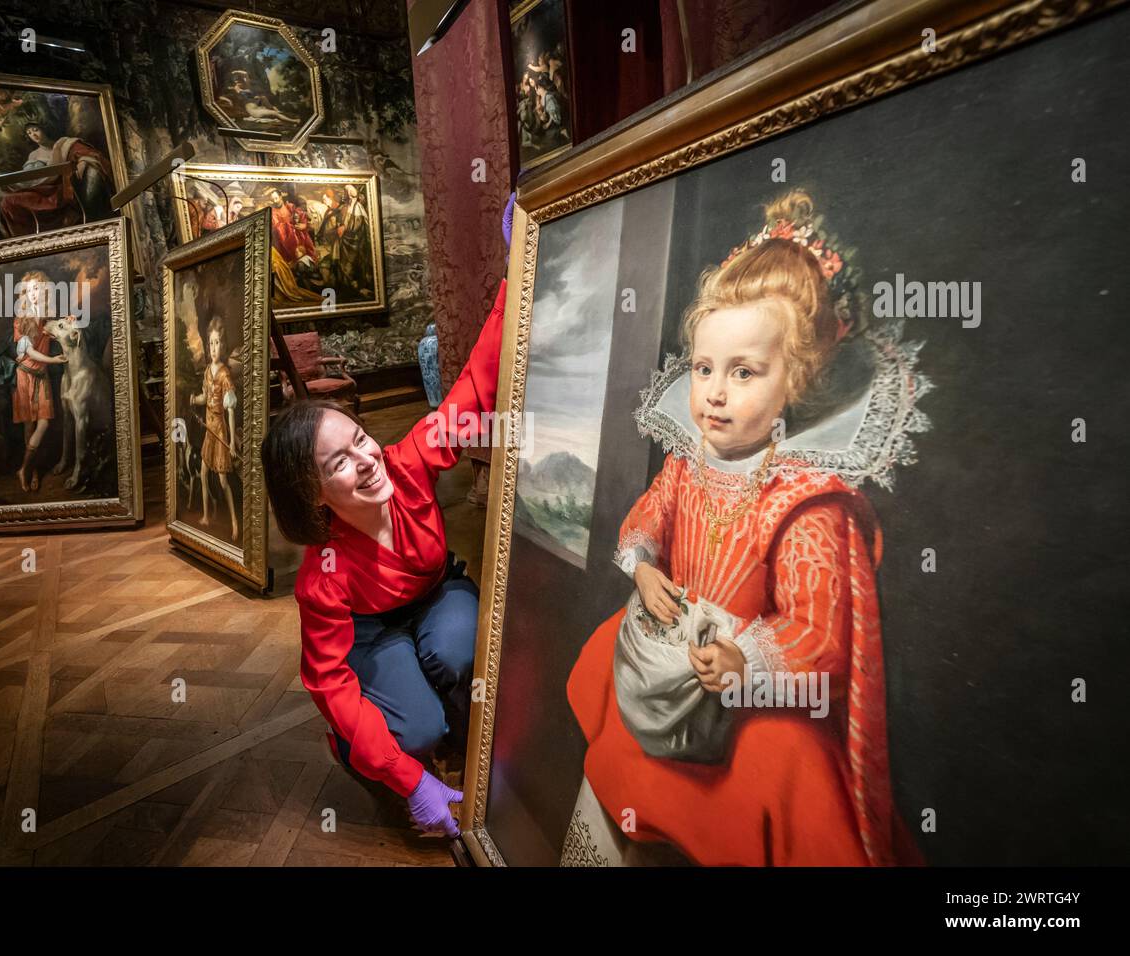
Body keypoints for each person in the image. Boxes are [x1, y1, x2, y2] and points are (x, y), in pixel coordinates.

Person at [565, 190, 918, 866]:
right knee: (618, 773)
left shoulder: (807, 502)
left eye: (744, 372)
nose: (715, 392)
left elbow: (820, 635)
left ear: (799, 377)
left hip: (747, 705)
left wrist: (746, 661)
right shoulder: (688, 458)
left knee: (763, 797)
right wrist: (643, 565)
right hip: (661, 668)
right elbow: (653, 512)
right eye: (704, 369)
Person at [261, 193, 517, 836]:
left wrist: (521, 272)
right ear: (313, 495)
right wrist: (408, 780)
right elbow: (331, 685)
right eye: (339, 464)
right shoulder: (322, 574)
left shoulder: (406, 464)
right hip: (372, 633)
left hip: (435, 596)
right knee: (413, 729)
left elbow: (475, 389)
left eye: (360, 441)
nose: (366, 461)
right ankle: (369, 753)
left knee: (462, 650)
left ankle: (459, 734)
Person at [11, 270, 68, 492]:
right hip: (25, 375)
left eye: (39, 289)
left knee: (43, 423)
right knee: (29, 426)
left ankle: (23, 468)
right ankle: (32, 471)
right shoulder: (20, 321)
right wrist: (53, 360)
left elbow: (61, 328)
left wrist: (69, 321)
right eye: (30, 290)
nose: (34, 294)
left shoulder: (47, 320)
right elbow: (31, 354)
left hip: (41, 378)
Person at [191, 318, 239, 542]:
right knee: (202, 473)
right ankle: (207, 516)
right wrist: (194, 399)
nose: (213, 348)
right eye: (210, 343)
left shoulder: (224, 375)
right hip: (208, 426)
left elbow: (229, 410)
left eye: (217, 343)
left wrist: (229, 442)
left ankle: (235, 523)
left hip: (219, 428)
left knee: (222, 481)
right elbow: (205, 398)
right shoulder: (207, 372)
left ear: (224, 345)